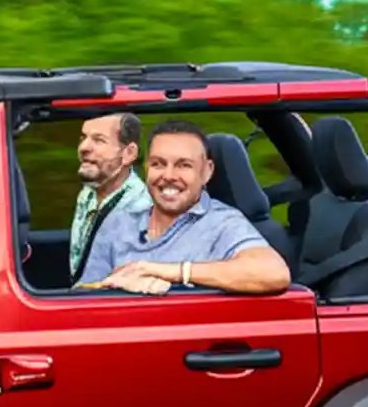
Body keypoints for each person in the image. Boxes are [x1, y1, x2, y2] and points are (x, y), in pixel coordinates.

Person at [75, 119, 292, 296]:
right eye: (158, 164)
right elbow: (81, 295)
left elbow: (274, 273)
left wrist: (170, 273)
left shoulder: (223, 223)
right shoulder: (118, 222)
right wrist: (118, 285)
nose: (168, 176)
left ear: (206, 172)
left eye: (183, 165)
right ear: (146, 168)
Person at [68, 113, 151, 279]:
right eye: (83, 138)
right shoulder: (88, 193)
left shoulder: (141, 210)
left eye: (99, 140)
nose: (84, 147)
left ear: (129, 153)